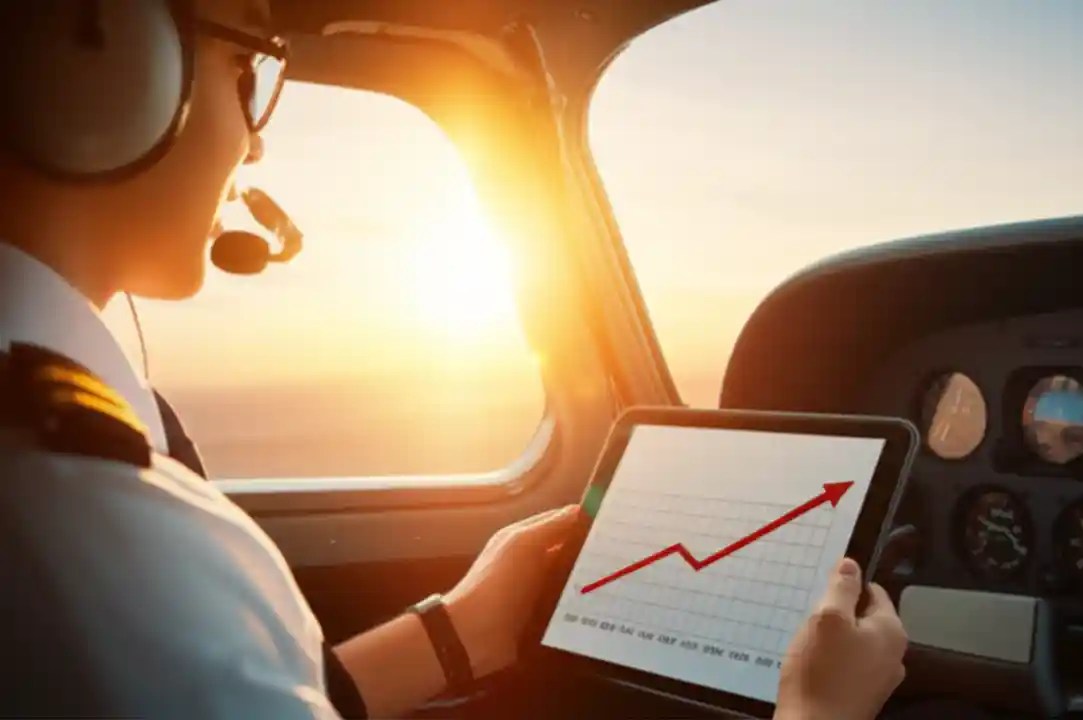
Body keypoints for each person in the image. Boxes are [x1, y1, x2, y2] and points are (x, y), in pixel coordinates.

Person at [0, 0, 907, 718]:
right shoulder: (89, 517)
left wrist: (467, 626)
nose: (255, 136)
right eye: (250, 67)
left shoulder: (71, 469)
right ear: (102, 59)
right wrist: (817, 710)